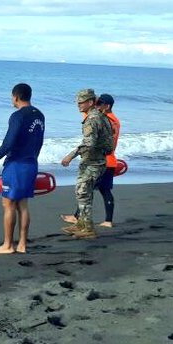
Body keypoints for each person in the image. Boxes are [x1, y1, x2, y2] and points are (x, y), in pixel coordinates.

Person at [0, 82, 46, 254]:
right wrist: (33, 159)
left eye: (12, 97)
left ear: (16, 97)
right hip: (31, 163)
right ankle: (22, 245)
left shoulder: (17, 116)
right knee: (23, 204)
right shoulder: (40, 115)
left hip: (16, 164)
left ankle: (8, 245)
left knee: (8, 204)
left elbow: (8, 143)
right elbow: (39, 142)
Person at [60, 88, 114, 239]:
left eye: (81, 102)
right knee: (84, 192)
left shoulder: (92, 119)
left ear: (90, 102)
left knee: (83, 192)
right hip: (96, 160)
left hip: (94, 162)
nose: (78, 105)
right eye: (77, 102)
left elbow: (89, 143)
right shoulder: (99, 116)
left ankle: (87, 228)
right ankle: (82, 224)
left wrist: (70, 156)